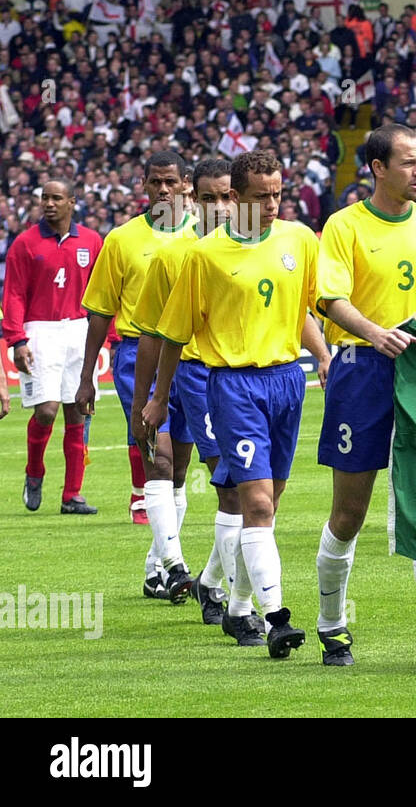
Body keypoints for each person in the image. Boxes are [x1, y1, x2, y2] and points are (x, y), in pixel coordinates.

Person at [144, 149, 326, 658]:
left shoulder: (299, 239)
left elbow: (303, 309)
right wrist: (159, 400)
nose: (272, 204)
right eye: (261, 196)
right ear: (236, 198)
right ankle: (277, 619)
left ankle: (238, 603)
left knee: (268, 509)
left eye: (278, 194)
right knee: (256, 503)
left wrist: (325, 356)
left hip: (288, 382)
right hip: (231, 385)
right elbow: (174, 333)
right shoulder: (204, 256)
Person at [314, 125, 416, 670]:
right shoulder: (343, 225)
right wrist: (376, 332)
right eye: (408, 163)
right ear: (377, 168)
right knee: (350, 511)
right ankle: (332, 625)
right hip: (362, 368)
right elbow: (329, 297)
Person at [129, 158, 256, 633]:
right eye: (210, 198)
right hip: (187, 375)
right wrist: (148, 401)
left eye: (229, 197)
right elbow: (150, 335)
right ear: (192, 199)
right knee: (212, 480)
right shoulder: (170, 256)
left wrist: (321, 355)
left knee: (235, 489)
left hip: (237, 379)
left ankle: (210, 580)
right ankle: (215, 592)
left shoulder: (259, 248)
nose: (222, 207)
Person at [77, 151, 198, 602]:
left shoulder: (205, 236)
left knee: (180, 470)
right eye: (154, 183)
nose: (163, 190)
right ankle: (175, 566)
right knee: (159, 458)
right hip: (136, 357)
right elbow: (100, 312)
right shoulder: (122, 239)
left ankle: (155, 570)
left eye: (171, 182)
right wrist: (87, 377)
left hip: (191, 358)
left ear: (186, 183)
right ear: (144, 185)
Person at [2, 179, 101, 515]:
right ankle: (34, 472)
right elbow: (13, 294)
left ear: (72, 201)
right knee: (46, 410)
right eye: (44, 197)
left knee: (78, 410)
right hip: (40, 329)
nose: (48, 203)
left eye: (56, 198)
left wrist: (109, 337)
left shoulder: (91, 241)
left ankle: (72, 494)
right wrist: (17, 339)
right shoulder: (25, 243)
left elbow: (102, 294)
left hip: (79, 329)